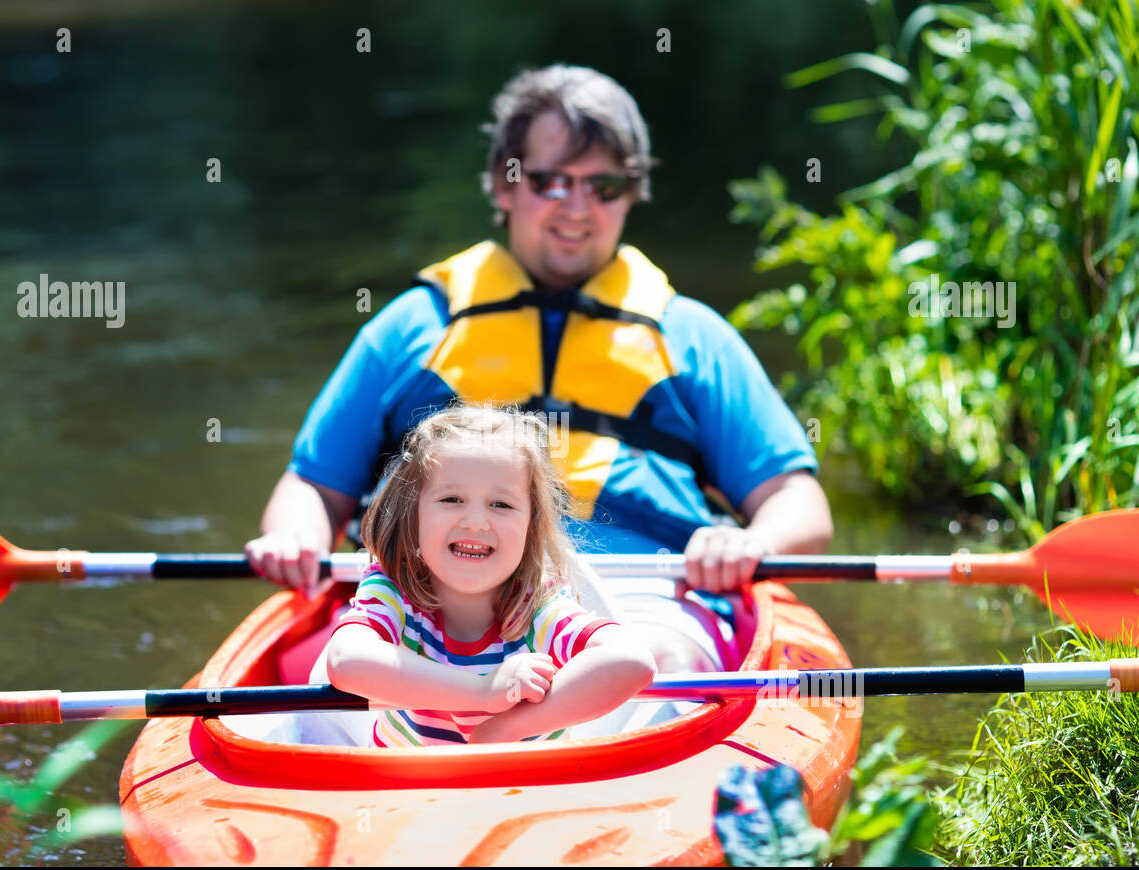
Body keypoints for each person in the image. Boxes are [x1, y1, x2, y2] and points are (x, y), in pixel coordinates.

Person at [247, 64, 831, 635]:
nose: (576, 208)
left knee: (655, 659)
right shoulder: (410, 329)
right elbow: (315, 487)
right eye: (550, 181)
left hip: (643, 597)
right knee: (339, 672)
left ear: (632, 194)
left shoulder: (694, 339)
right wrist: (296, 537)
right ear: (504, 183)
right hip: (428, 596)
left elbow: (796, 501)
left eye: (603, 186)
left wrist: (749, 543)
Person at [323, 405, 656, 746]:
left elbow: (632, 660)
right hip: (410, 790)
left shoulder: (535, 604)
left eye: (501, 505)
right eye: (452, 499)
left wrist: (503, 729)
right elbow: (345, 660)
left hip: (527, 793)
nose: (476, 523)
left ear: (531, 527)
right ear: (413, 515)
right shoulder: (394, 589)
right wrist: (484, 690)